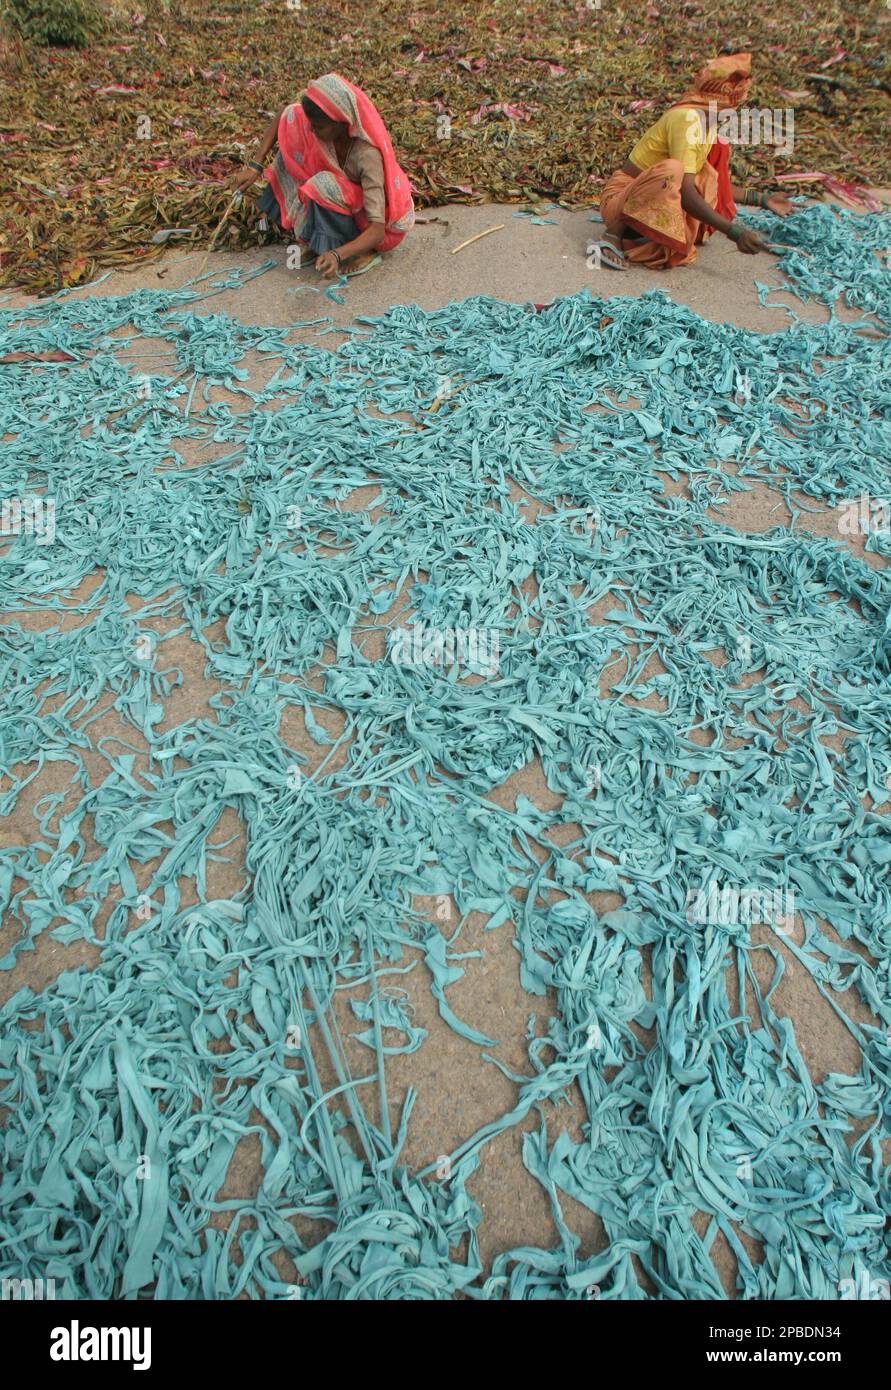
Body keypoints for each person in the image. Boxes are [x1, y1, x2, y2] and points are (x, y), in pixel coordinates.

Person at [591, 53, 794, 271]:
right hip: (620, 201)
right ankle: (613, 235)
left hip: (652, 194)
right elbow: (686, 193)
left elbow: (716, 184)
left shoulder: (709, 125)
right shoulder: (687, 120)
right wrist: (734, 232)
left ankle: (645, 234)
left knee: (706, 168)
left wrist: (762, 199)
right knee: (673, 170)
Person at [234, 73, 414, 278]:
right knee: (290, 154)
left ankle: (363, 251)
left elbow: (377, 230)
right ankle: (319, 241)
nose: (311, 129)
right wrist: (255, 167)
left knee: (323, 185)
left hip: (374, 222)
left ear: (341, 122)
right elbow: (287, 114)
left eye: (319, 127)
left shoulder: (367, 156)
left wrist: (338, 255)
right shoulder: (323, 126)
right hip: (345, 199)